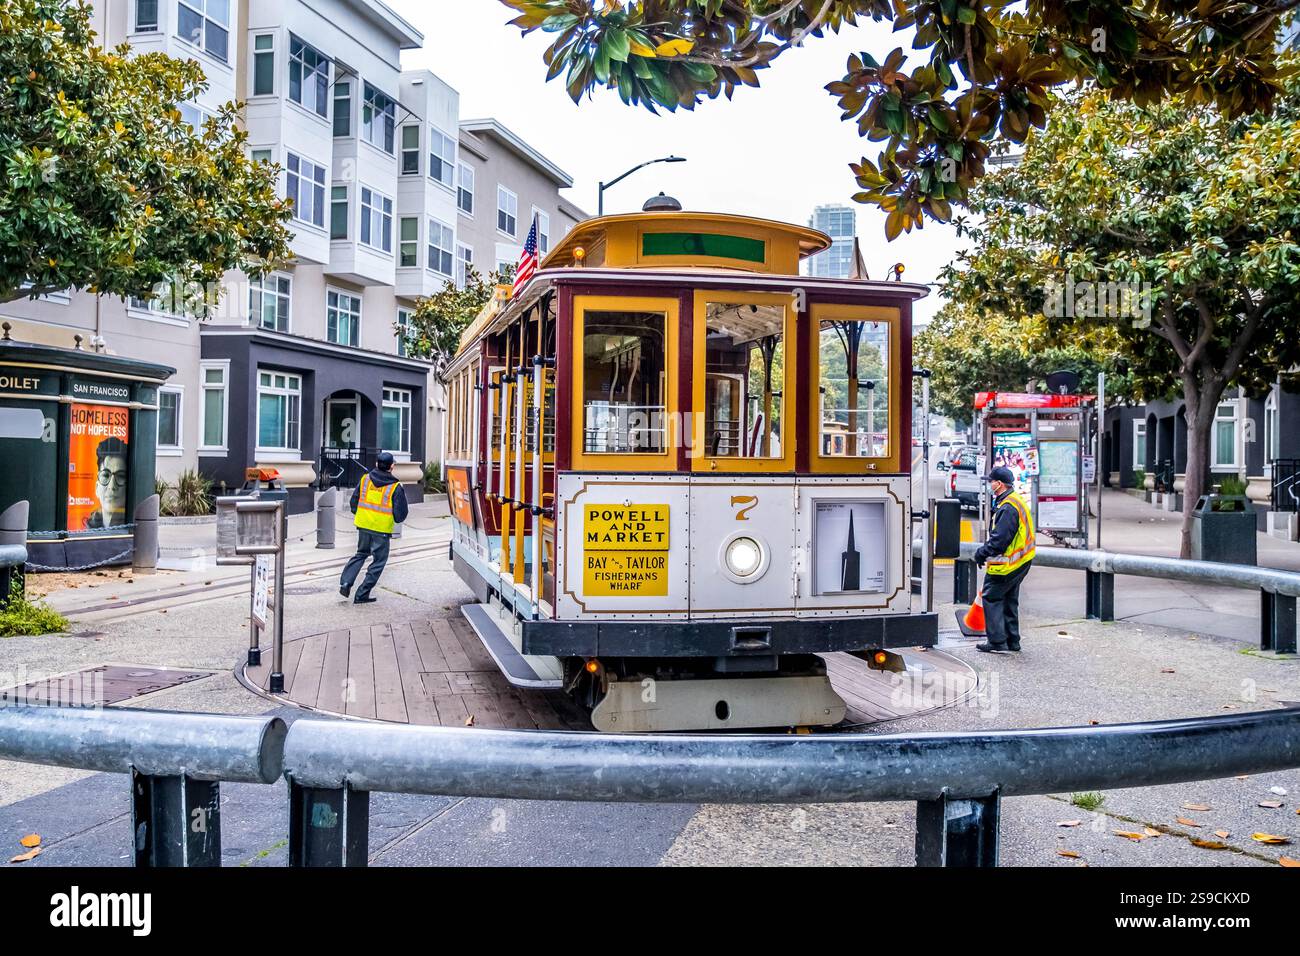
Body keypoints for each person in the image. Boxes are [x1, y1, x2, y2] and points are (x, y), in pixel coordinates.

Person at [973, 465, 1036, 653]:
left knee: (991, 597)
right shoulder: (1015, 500)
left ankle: (997, 641)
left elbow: (999, 541)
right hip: (1021, 561)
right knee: (1009, 599)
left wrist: (981, 553)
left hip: (1007, 564)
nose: (989, 485)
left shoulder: (1008, 507)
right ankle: (1012, 641)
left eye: (991, 482)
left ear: (999, 484)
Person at [339, 451, 409, 604]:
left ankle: (345, 582)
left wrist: (362, 515)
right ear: (392, 467)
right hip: (381, 530)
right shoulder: (395, 487)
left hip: (363, 525)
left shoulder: (365, 479)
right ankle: (362, 594)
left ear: (377, 464)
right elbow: (400, 515)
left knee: (360, 554)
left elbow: (354, 502)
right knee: (378, 562)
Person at [86, 437, 128, 529]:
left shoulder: (135, 530)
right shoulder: (86, 530)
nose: (112, 486)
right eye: (105, 475)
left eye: (120, 476)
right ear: (96, 487)